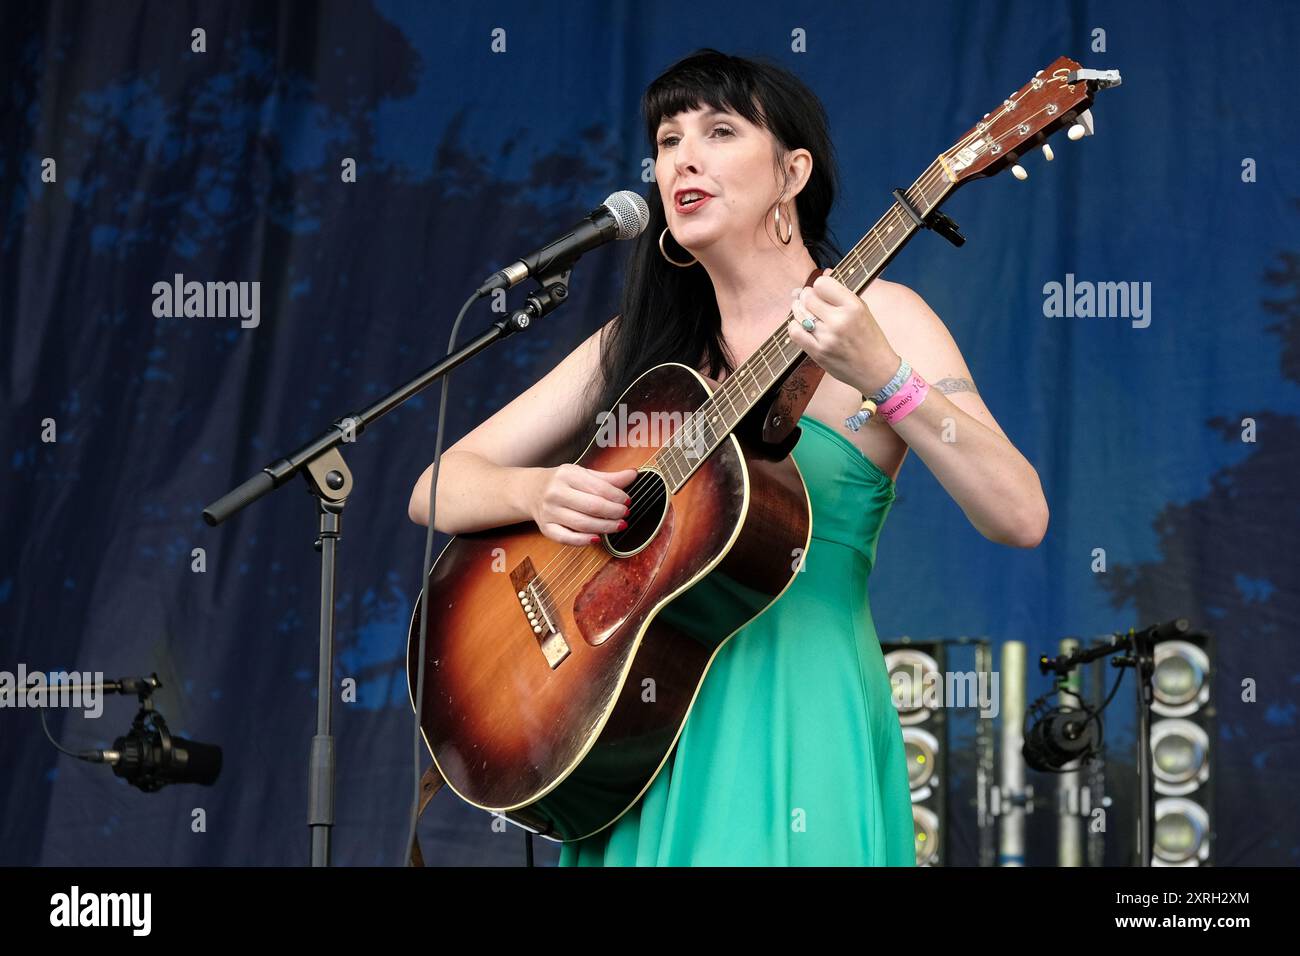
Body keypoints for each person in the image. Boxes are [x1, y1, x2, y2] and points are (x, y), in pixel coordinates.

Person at [408, 48, 1048, 866]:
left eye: (719, 131)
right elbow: (437, 486)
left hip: (799, 711)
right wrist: (536, 494)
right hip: (629, 732)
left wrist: (887, 377)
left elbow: (1019, 514)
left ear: (792, 172)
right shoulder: (636, 346)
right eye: (667, 140)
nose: (684, 158)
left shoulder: (884, 316)